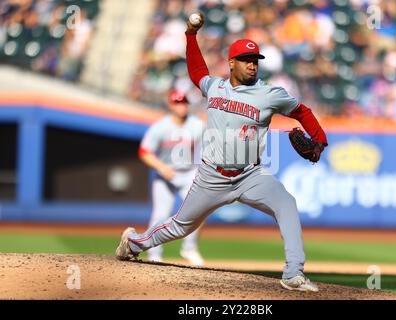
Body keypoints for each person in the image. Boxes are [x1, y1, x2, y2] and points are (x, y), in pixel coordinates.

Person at [116, 13, 328, 292]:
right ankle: (133, 243)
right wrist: (190, 36)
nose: (252, 65)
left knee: (286, 204)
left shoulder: (269, 94)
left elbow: (302, 111)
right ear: (231, 63)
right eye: (246, 60)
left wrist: (320, 140)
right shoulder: (215, 87)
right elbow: (196, 73)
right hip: (211, 176)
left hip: (251, 175)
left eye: (255, 61)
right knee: (180, 226)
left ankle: (293, 273)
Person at [138, 88, 204, 266]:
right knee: (160, 215)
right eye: (177, 103)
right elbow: (144, 151)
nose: (181, 106)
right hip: (165, 174)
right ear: (170, 105)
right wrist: (161, 167)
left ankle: (189, 248)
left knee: (198, 211)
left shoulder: (196, 125)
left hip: (188, 172)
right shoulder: (161, 127)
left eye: (183, 103)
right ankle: (154, 253)